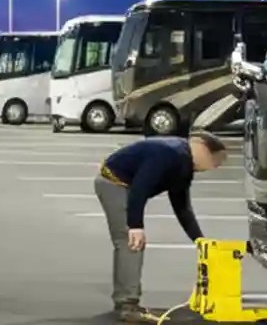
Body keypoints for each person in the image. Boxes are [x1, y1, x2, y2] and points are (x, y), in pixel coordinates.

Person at [94, 131, 229, 323]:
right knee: (131, 242)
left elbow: (181, 206)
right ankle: (127, 305)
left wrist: (199, 240)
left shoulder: (183, 162)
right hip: (114, 183)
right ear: (203, 149)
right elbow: (140, 185)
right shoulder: (170, 154)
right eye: (216, 161)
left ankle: (126, 301)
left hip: (124, 185)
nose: (215, 167)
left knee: (132, 242)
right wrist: (135, 225)